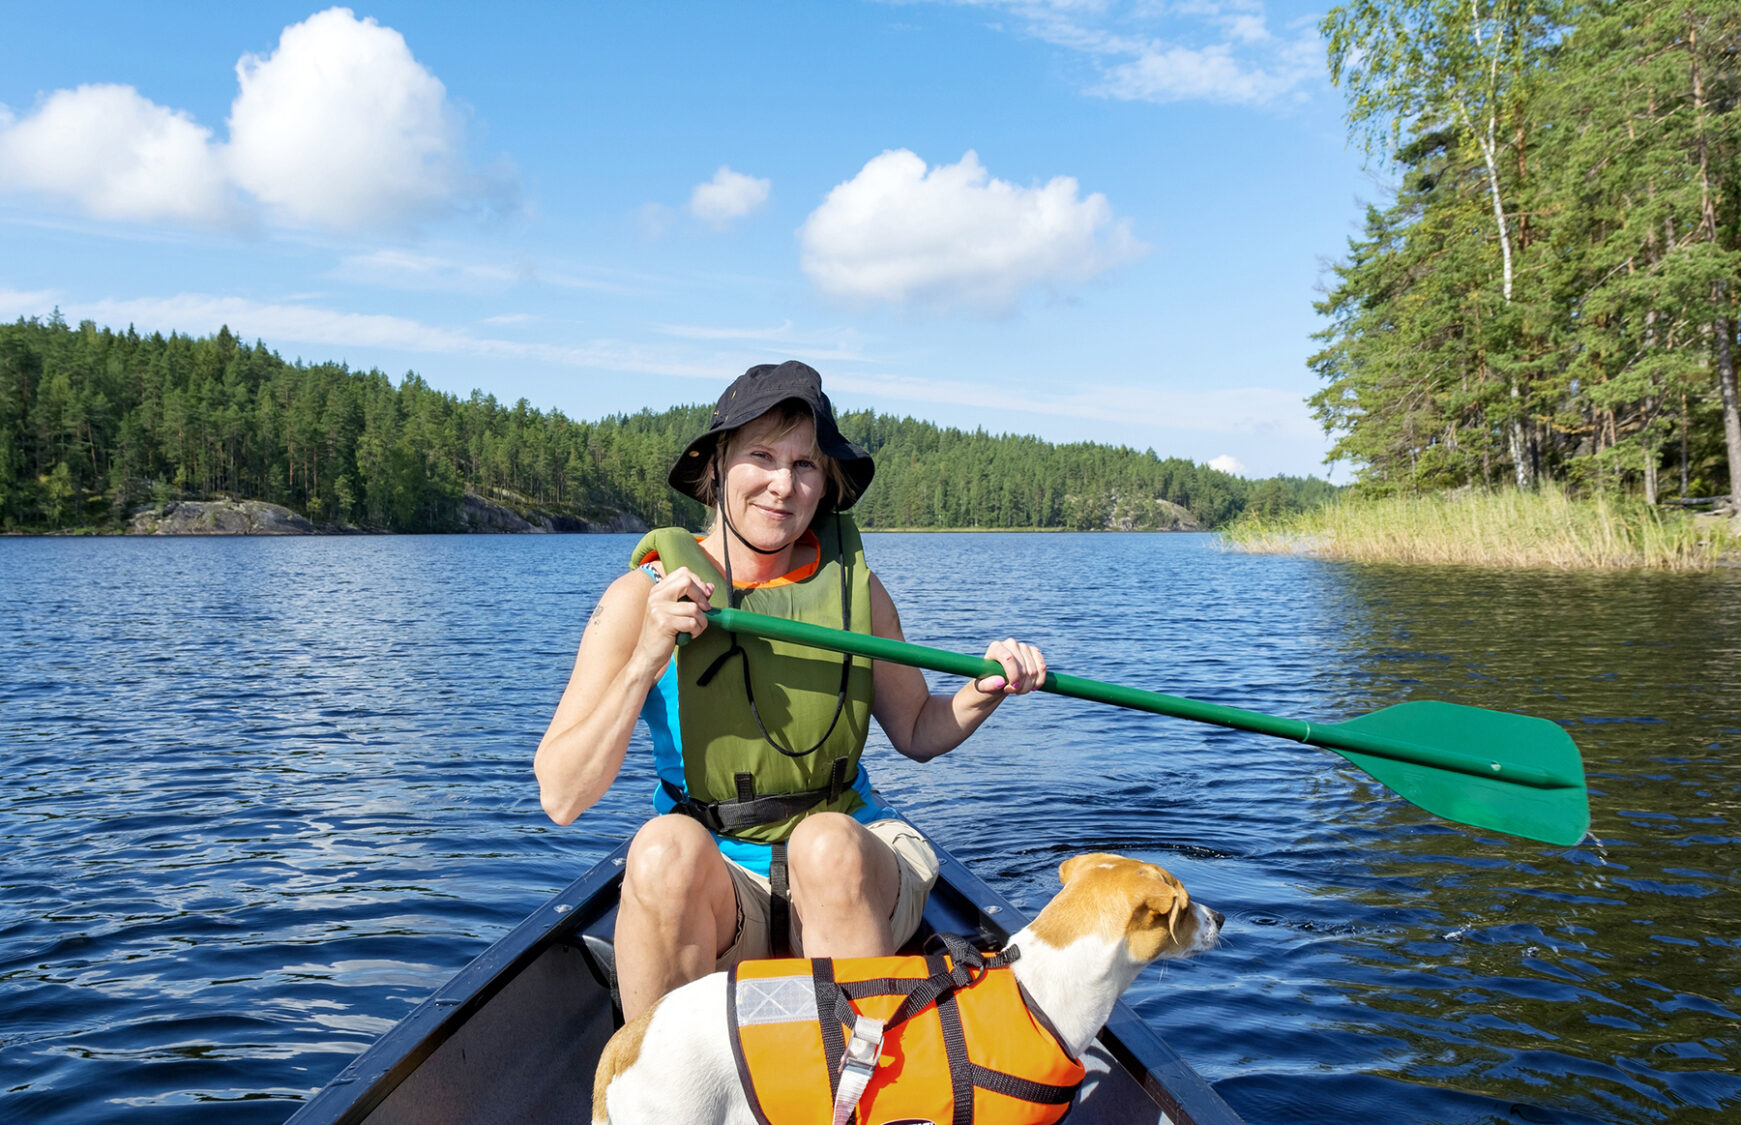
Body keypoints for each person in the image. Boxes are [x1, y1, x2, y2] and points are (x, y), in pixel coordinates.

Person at [534, 361, 1047, 1022]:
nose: (783, 484)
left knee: (824, 843)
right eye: (762, 456)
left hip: (850, 872)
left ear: (825, 481)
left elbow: (918, 730)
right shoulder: (641, 597)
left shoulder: (856, 590)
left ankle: (853, 1084)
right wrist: (644, 657)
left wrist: (984, 689)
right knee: (660, 849)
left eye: (805, 464)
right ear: (717, 465)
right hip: (724, 896)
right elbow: (562, 795)